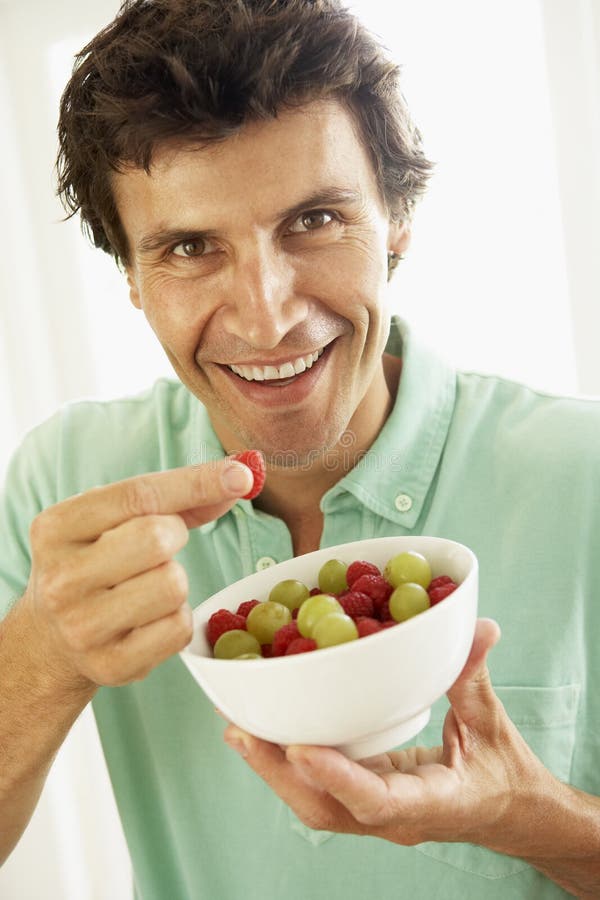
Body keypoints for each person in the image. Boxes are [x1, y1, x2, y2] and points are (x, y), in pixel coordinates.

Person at [1, 0, 599, 897]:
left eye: (315, 221)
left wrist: (524, 817)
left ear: (397, 223)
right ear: (129, 275)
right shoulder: (68, 482)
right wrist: (44, 654)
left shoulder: (582, 473)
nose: (268, 314)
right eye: (192, 246)